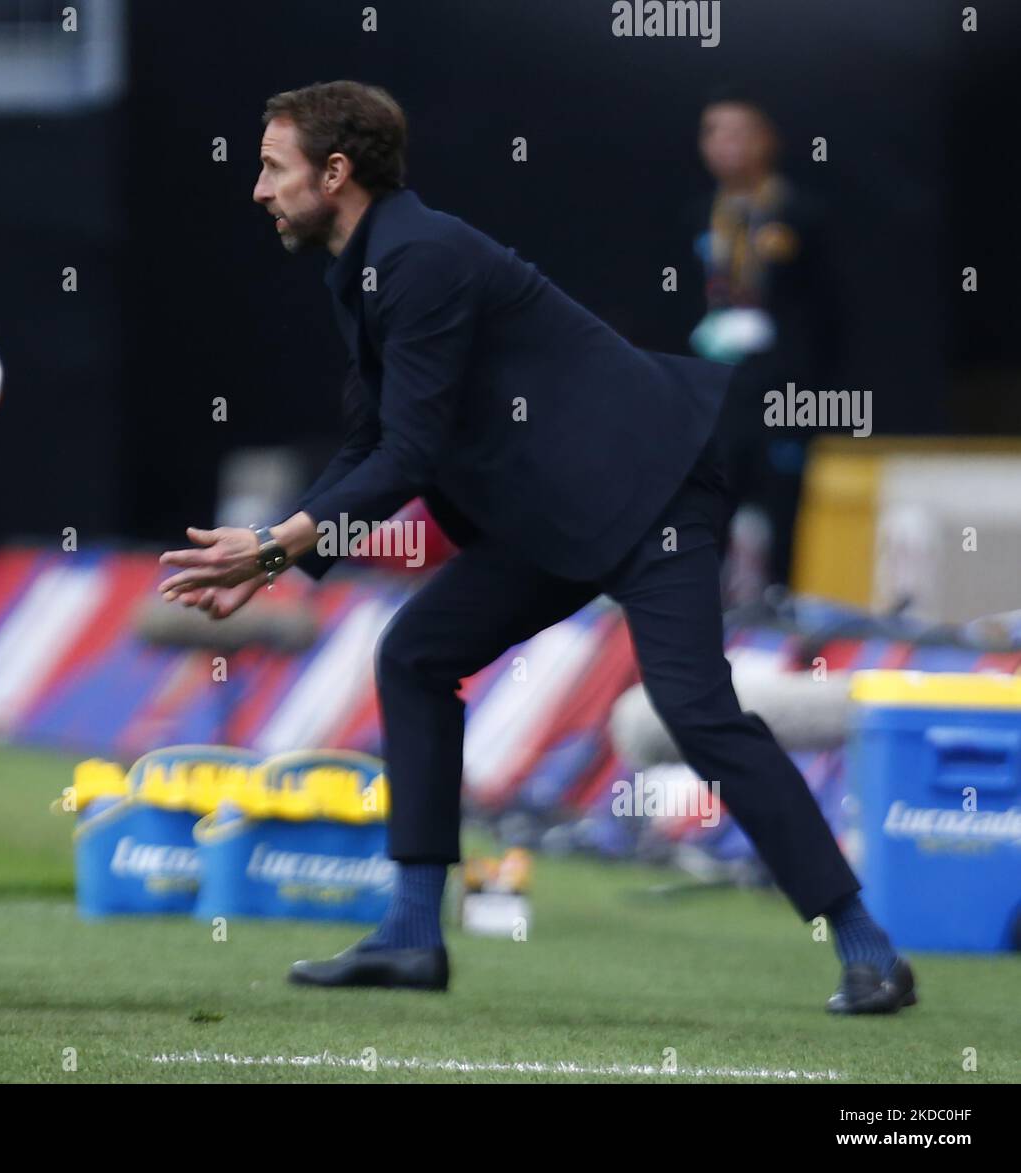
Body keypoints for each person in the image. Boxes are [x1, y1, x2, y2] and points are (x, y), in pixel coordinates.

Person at [158, 81, 914, 1014]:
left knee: (696, 711)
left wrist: (273, 543)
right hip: (555, 517)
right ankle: (410, 936)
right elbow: (369, 441)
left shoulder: (420, 257)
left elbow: (410, 452)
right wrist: (279, 561)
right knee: (417, 652)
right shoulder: (363, 267)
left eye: (273, 167)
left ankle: (869, 946)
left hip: (652, 489)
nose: (259, 189)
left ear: (336, 173)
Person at [690, 92, 841, 590]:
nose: (726, 144)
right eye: (714, 131)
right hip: (716, 385)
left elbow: (832, 312)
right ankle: (703, 613)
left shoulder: (800, 215)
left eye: (739, 131)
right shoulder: (698, 216)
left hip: (783, 389)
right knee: (708, 501)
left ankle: (779, 611)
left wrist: (808, 386)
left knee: (780, 503)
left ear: (767, 141)